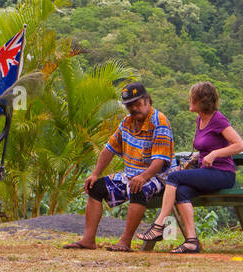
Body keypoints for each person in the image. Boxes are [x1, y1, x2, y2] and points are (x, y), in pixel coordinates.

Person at [64, 81, 173, 252]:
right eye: (130, 105)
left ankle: (125, 241)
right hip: (129, 174)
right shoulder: (126, 122)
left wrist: (143, 177)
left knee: (139, 187)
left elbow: (159, 161)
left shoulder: (159, 121)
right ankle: (88, 240)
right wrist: (94, 174)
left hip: (156, 177)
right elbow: (109, 149)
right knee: (96, 187)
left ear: (147, 101)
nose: (134, 108)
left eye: (137, 104)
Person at [137, 81, 243, 254]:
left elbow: (240, 145)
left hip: (222, 174)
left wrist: (214, 154)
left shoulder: (218, 119)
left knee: (173, 178)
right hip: (206, 172)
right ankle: (191, 241)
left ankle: (158, 226)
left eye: (192, 97)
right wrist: (195, 159)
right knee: (181, 192)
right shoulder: (200, 119)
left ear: (200, 100)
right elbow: (205, 147)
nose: (189, 99)